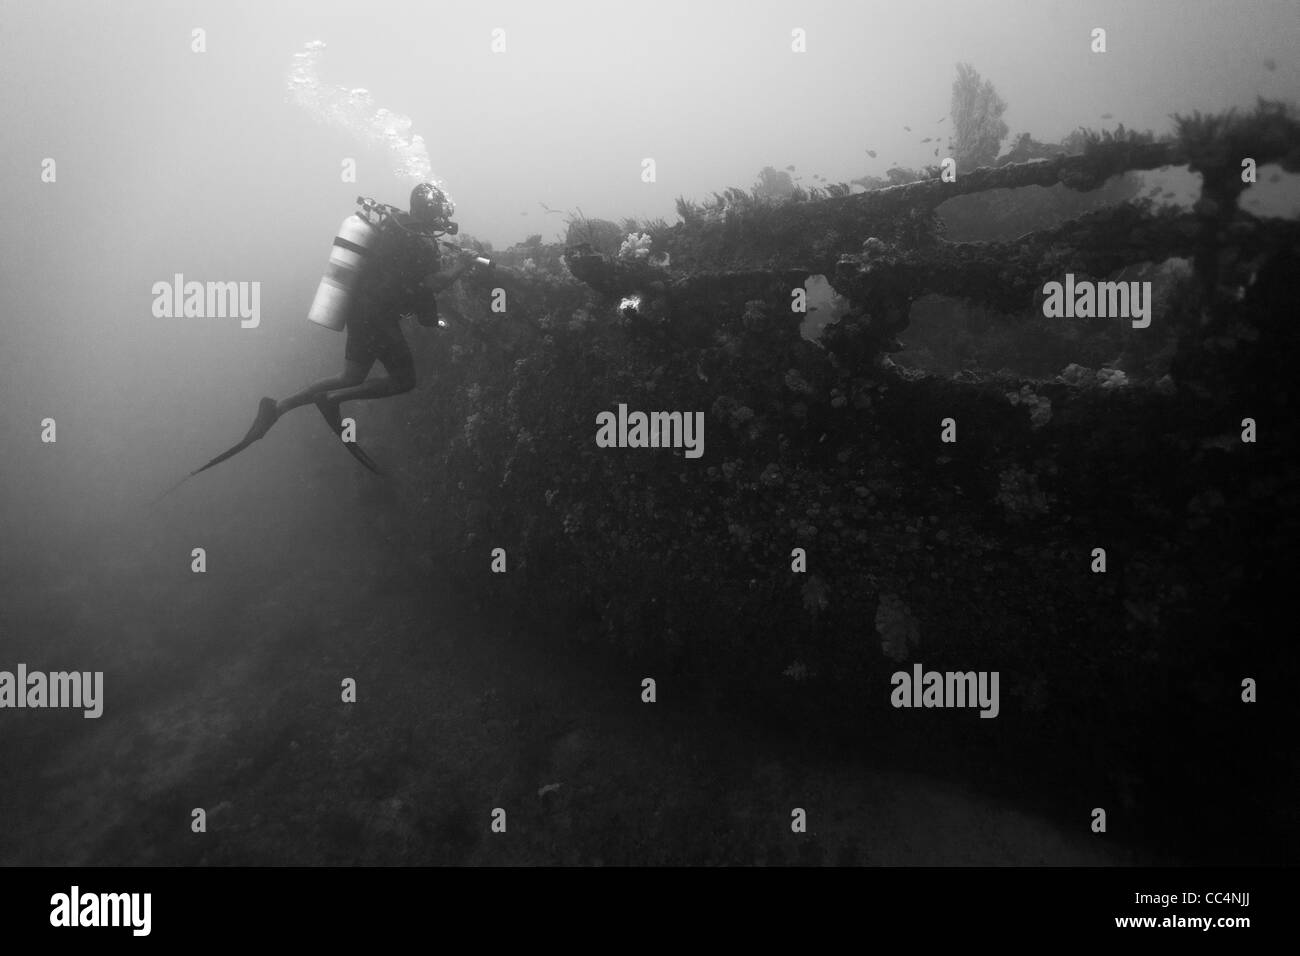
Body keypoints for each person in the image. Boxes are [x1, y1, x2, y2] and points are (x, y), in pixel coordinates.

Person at [244, 182, 477, 446]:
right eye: (440, 212)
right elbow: (432, 283)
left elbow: (405, 273)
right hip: (378, 319)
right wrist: (463, 264)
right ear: (429, 212)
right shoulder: (416, 240)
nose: (444, 218)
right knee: (405, 380)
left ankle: (277, 408)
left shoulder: (398, 226)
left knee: (350, 377)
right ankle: (332, 400)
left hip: (360, 311)